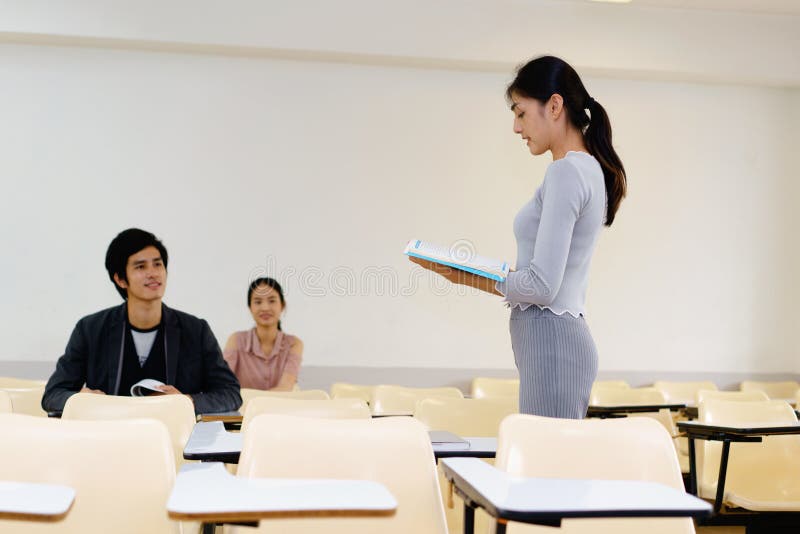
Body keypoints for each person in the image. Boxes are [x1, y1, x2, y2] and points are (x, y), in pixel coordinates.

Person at [410, 56, 626, 419]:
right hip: (553, 343)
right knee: (552, 468)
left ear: (554, 105)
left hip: (553, 344)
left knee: (549, 471)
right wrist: (463, 273)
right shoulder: (581, 169)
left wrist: (463, 274)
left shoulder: (567, 173)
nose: (515, 127)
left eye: (521, 113)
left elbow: (541, 286)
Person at [42, 228, 242, 414]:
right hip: (107, 437)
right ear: (121, 279)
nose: (153, 273)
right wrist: (80, 399)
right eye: (140, 266)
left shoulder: (196, 330)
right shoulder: (90, 329)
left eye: (158, 264)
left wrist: (185, 401)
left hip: (174, 439)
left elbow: (230, 394)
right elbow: (53, 395)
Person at [223, 277, 303, 391]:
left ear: (282, 305)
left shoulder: (294, 344)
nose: (265, 307)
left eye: (272, 301)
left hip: (280, 408)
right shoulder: (235, 340)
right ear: (250, 308)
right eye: (258, 302)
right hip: (244, 408)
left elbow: (285, 387)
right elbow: (223, 384)